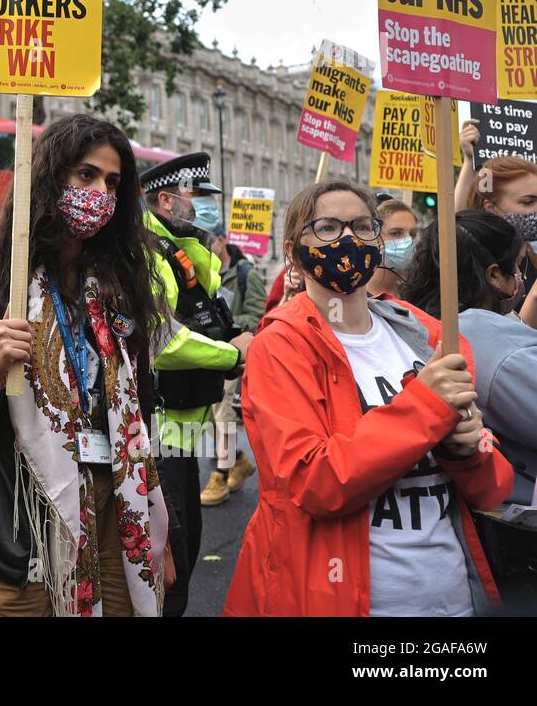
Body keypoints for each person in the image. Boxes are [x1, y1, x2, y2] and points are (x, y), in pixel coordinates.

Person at [224, 180, 513, 616]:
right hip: (349, 600)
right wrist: (427, 408)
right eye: (327, 227)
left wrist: (469, 451)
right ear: (293, 249)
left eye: (362, 226)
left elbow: (492, 488)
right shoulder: (279, 346)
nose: (347, 239)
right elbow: (315, 482)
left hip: (452, 596)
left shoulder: (427, 334)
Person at [0, 114, 170, 617]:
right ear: (51, 180)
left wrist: (160, 521)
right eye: (86, 175)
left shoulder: (120, 288)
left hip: (117, 510)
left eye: (113, 183)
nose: (101, 194)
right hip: (24, 521)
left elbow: (142, 410)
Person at [402, 210, 537, 611]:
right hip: (512, 530)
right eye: (516, 271)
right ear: (494, 275)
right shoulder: (483, 333)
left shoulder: (420, 320)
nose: (518, 282)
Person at [140, 152, 254, 616]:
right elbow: (164, 341)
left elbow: (204, 316)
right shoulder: (149, 252)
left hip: (184, 430)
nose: (207, 207)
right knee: (170, 560)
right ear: (167, 200)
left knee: (183, 554)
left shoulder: (180, 249)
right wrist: (233, 353)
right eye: (199, 197)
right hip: (158, 433)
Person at [202, 241, 266, 506]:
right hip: (209, 355)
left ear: (219, 241)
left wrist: (230, 330)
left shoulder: (245, 273)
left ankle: (221, 472)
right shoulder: (203, 270)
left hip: (235, 355)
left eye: (207, 243)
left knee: (224, 415)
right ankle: (238, 459)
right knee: (210, 419)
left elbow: (257, 313)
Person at [457, 124, 537, 326]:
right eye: (527, 202)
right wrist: (468, 160)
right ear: (491, 209)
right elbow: (454, 221)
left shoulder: (530, 251)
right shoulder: (474, 261)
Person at [366, 198, 419, 299]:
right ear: (374, 237)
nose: (408, 241)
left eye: (412, 234)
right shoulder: (355, 297)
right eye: (396, 233)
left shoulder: (414, 296)